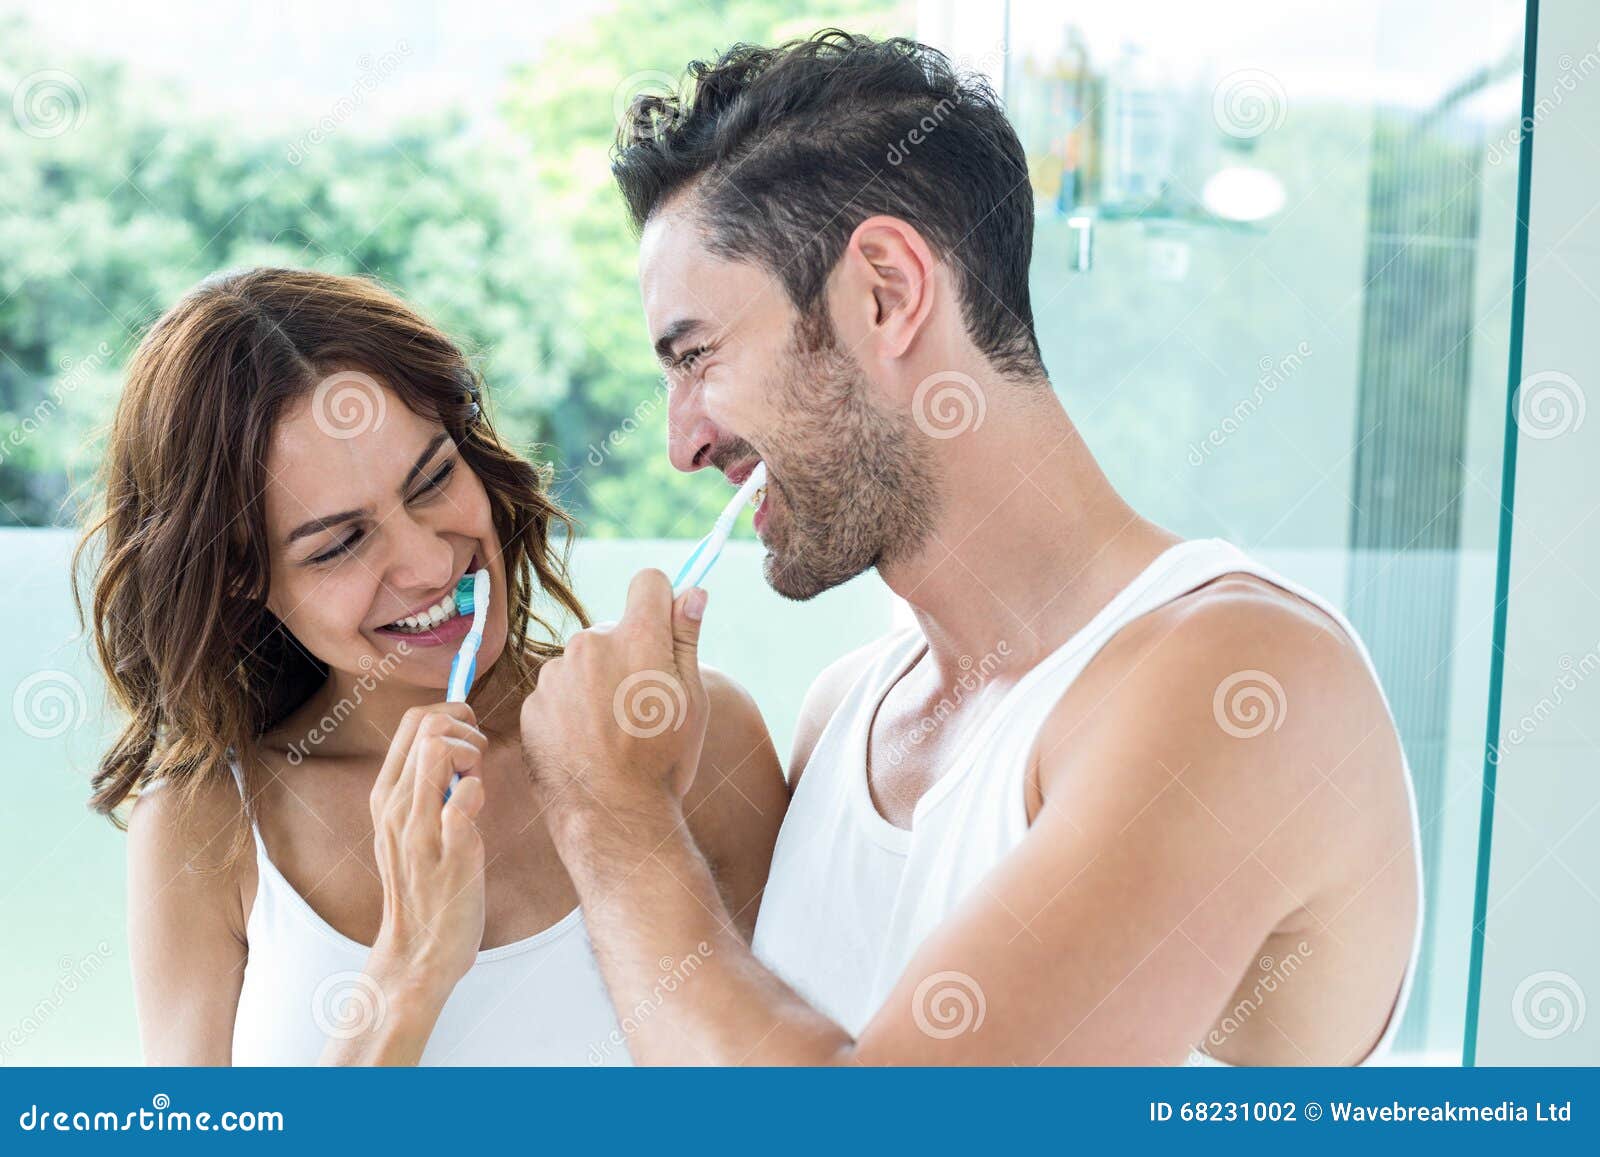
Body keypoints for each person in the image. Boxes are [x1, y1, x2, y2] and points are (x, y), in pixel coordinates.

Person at [515, 31, 1424, 1065]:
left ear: (886, 293)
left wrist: (613, 820)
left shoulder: (1247, 681)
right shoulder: (844, 713)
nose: (682, 442)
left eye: (698, 356)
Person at [76, 268, 786, 1065]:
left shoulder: (701, 734)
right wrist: (408, 970)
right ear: (243, 580)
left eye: (434, 478)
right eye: (340, 543)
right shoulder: (205, 826)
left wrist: (632, 817)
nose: (427, 562)